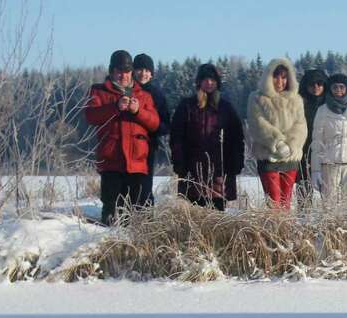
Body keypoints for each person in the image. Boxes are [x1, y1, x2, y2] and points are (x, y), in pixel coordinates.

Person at [84, 50, 160, 225]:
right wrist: (115, 107)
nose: (123, 75)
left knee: (138, 213)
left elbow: (155, 123)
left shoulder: (143, 95)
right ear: (111, 71)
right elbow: (90, 116)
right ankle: (110, 247)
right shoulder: (98, 91)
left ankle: (139, 249)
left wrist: (138, 112)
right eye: (119, 71)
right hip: (111, 162)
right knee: (111, 213)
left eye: (126, 71)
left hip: (137, 164)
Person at [170, 63, 244, 211]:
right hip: (192, 171)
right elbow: (176, 136)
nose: (209, 83)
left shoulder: (226, 108)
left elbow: (237, 139)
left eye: (213, 80)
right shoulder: (187, 106)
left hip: (219, 173)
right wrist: (179, 162)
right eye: (205, 79)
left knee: (217, 218)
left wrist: (236, 162)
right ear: (199, 82)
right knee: (195, 216)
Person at [246, 58, 307, 209]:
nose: (280, 81)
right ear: (268, 77)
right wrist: (277, 142)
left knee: (286, 203)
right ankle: (272, 231)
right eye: (276, 76)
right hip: (268, 156)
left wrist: (290, 144)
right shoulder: (257, 98)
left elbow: (301, 126)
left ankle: (284, 233)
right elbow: (257, 123)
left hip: (290, 157)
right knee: (274, 203)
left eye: (284, 77)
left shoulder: (296, 100)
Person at [310, 73, 347, 209]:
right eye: (335, 87)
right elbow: (317, 142)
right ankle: (329, 230)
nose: (338, 90)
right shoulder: (322, 111)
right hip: (329, 164)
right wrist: (316, 170)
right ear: (330, 89)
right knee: (329, 207)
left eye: (342, 87)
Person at [132, 53, 170, 206]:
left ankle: (146, 219)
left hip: (148, 147)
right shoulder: (126, 90)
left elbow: (165, 124)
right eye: (140, 69)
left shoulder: (157, 94)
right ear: (133, 71)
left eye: (147, 70)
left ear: (152, 73)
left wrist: (152, 128)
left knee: (145, 186)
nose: (143, 74)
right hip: (126, 147)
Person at [297, 68, 328, 204]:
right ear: (305, 85)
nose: (316, 87)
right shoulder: (298, 104)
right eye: (311, 84)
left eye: (319, 83)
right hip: (304, 155)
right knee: (304, 198)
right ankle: (303, 223)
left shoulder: (331, 104)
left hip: (326, 154)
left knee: (328, 197)